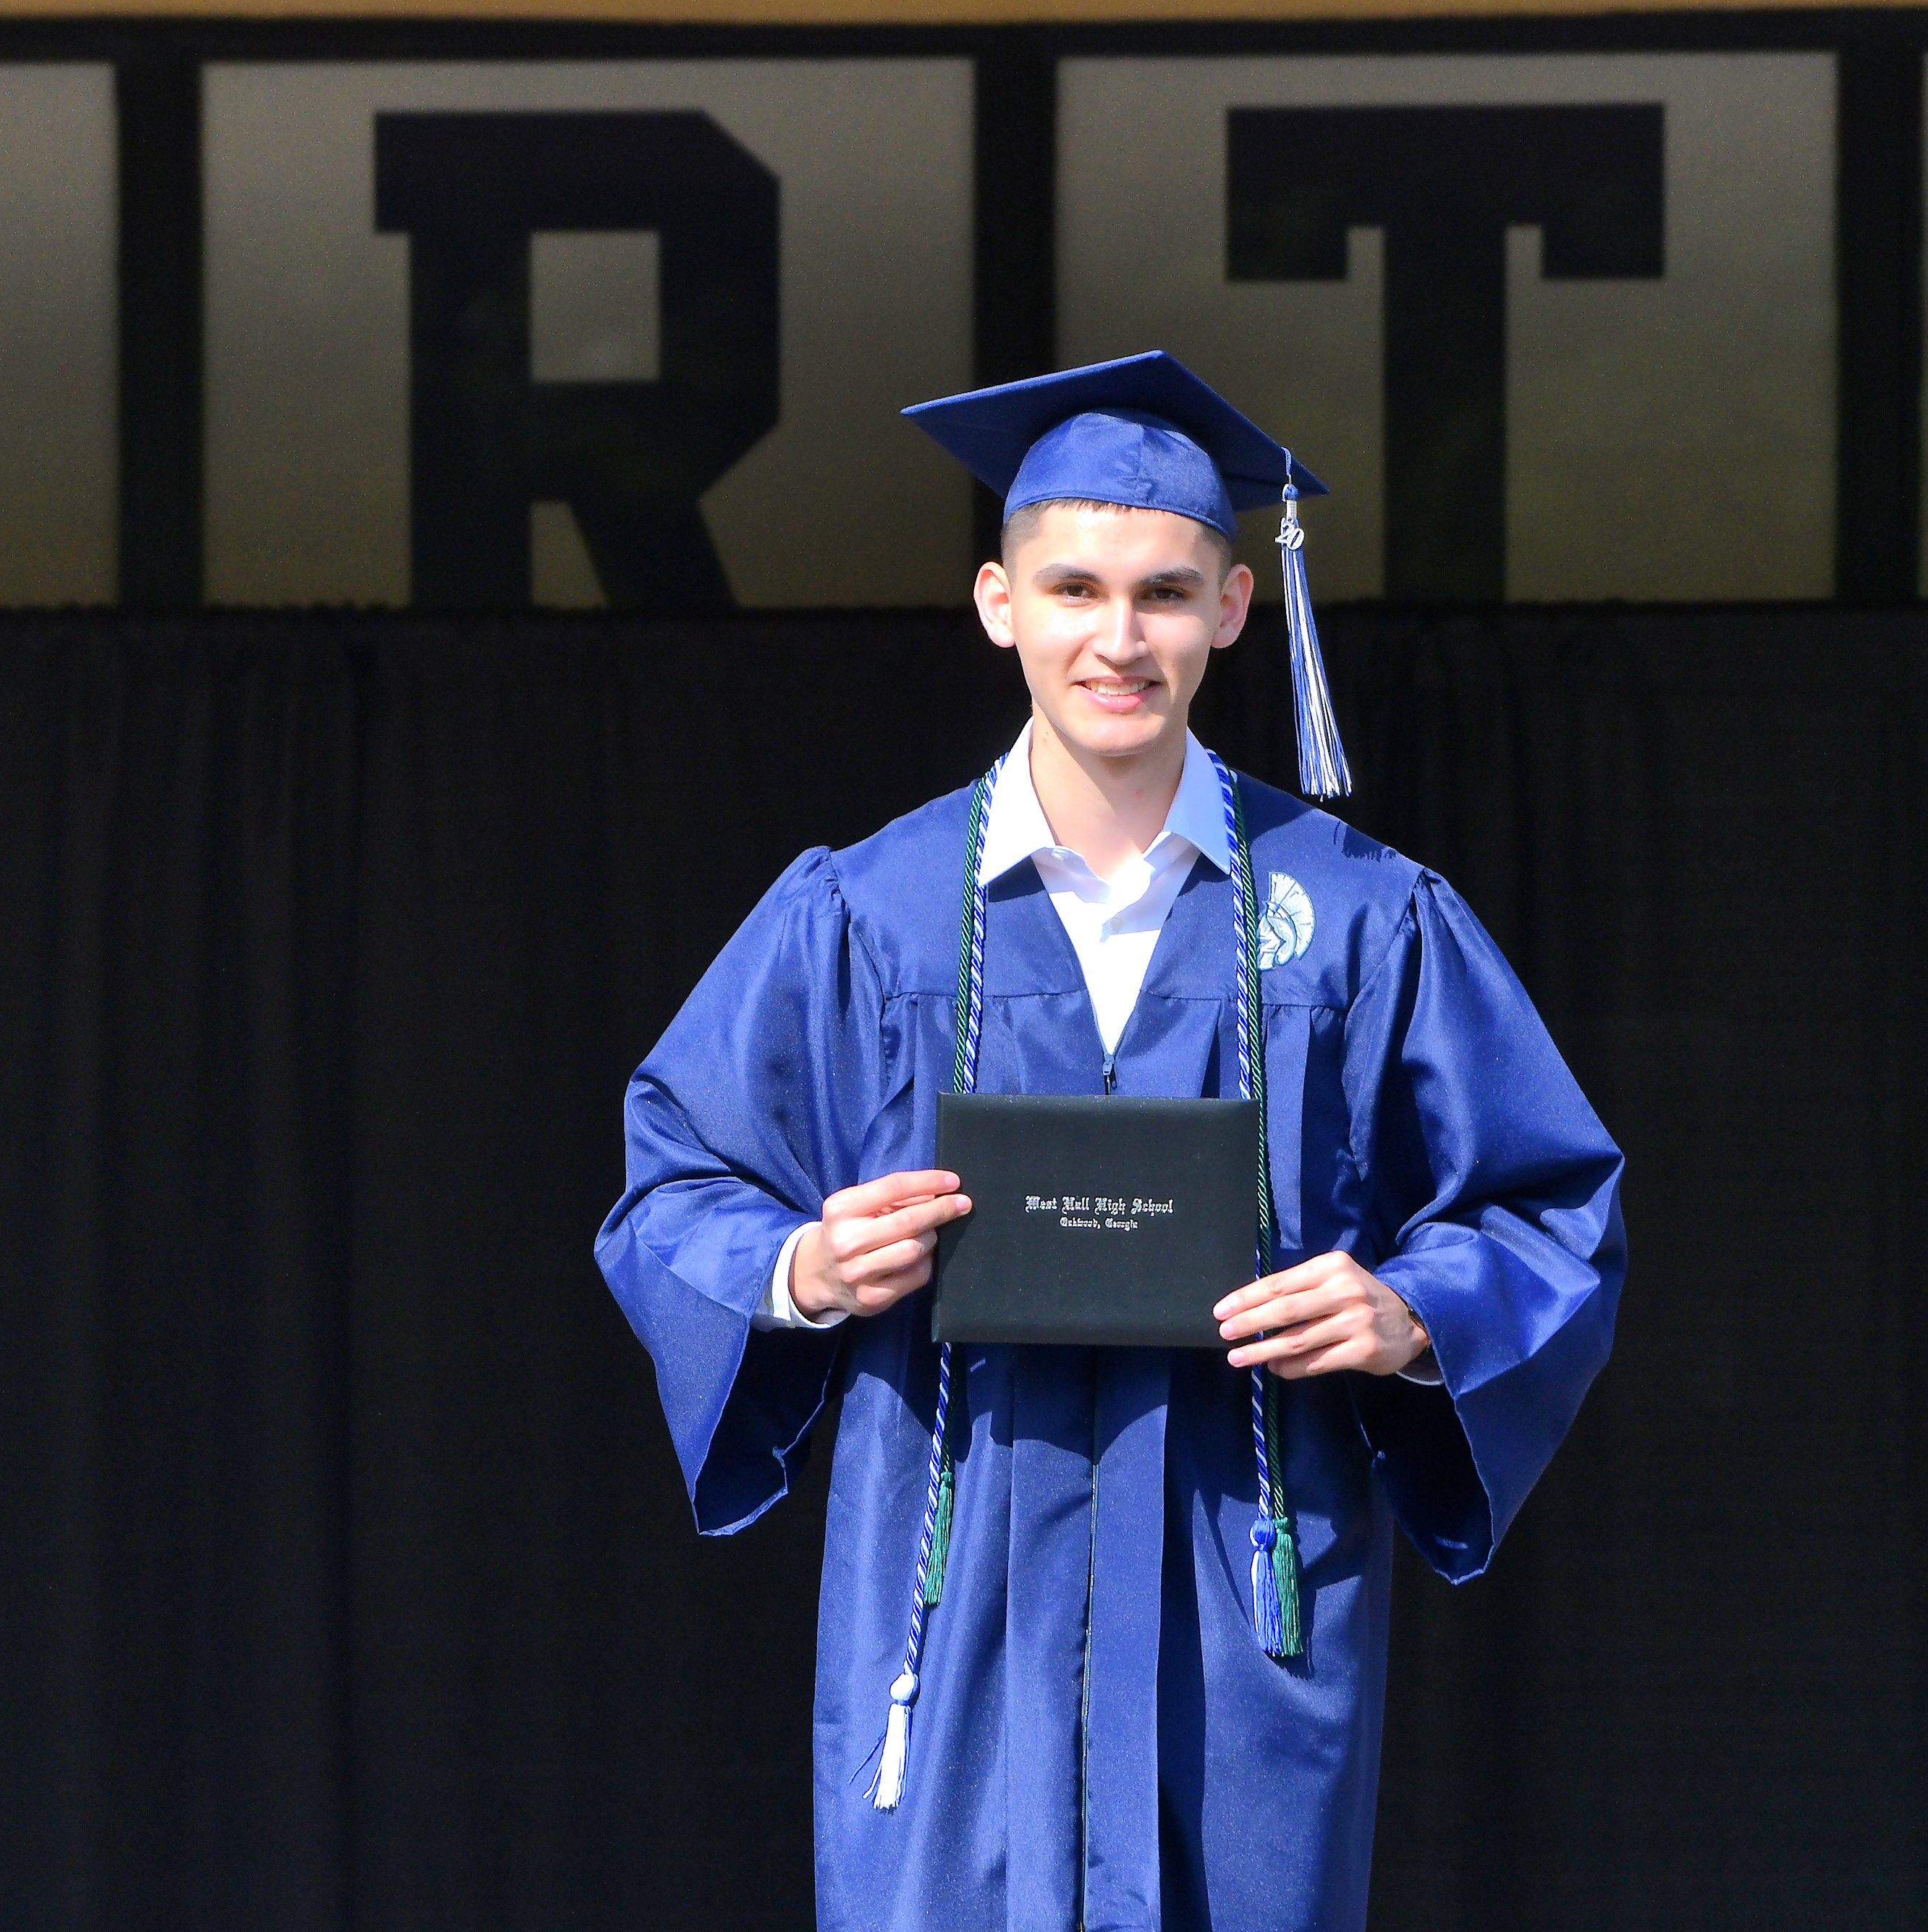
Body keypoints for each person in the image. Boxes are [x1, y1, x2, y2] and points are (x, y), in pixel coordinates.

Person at [593, 352, 1625, 1932]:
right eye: (1075, 587)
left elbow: (1552, 1204)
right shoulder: (865, 912)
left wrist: (1413, 1315)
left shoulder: (1356, 914)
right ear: (1001, 602)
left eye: (1164, 591)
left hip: (1244, 1590)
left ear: (1233, 608)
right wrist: (801, 1265)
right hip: (952, 1595)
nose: (1118, 636)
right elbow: (675, 1177)